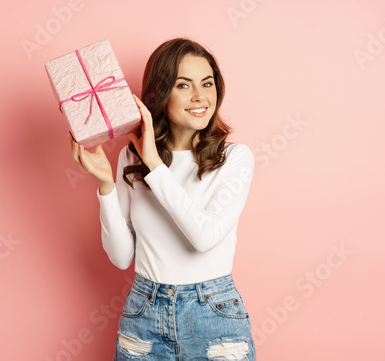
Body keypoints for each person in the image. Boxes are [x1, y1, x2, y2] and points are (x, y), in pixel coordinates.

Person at [69, 37, 257, 360]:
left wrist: (154, 164)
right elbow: (121, 257)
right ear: (160, 93)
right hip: (145, 310)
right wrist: (105, 186)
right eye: (183, 85)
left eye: (207, 83)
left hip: (212, 313)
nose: (200, 97)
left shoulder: (234, 158)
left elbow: (204, 237)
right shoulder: (131, 159)